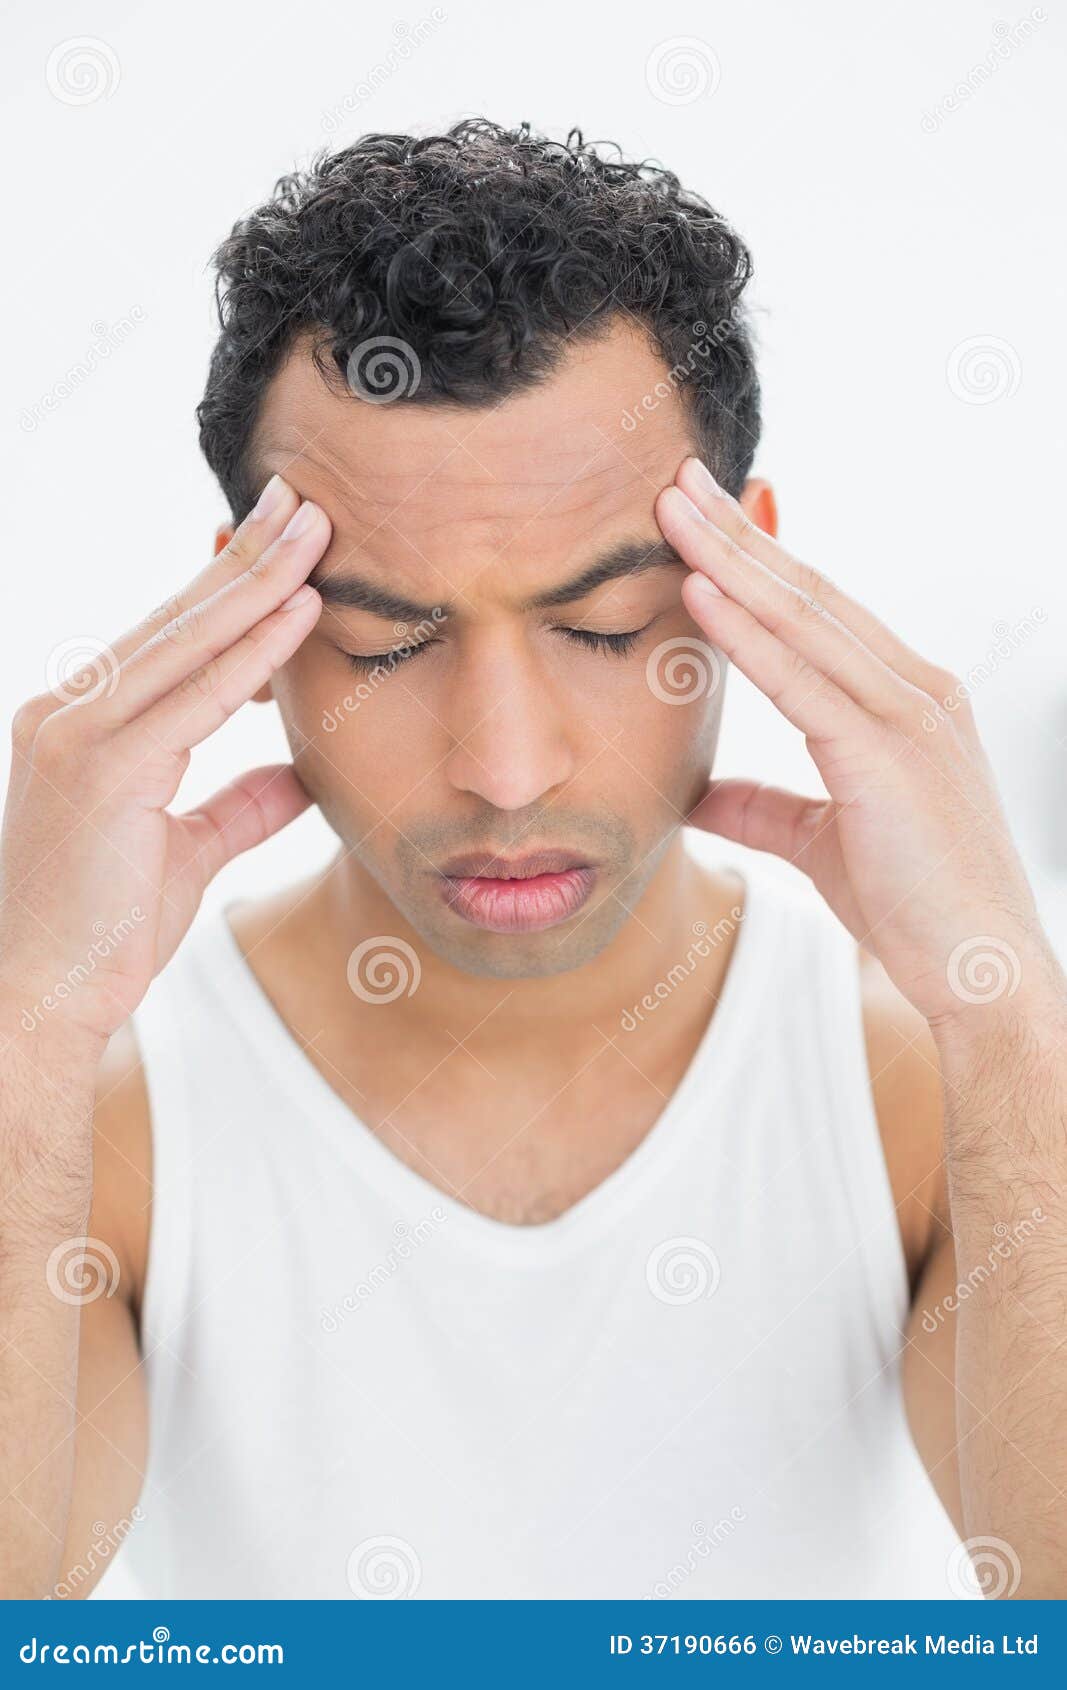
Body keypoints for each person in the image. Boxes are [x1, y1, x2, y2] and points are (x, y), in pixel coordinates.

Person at [2, 120, 1064, 1602]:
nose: (505, 767)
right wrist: (26, 1028)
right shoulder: (108, 1129)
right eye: (387, 636)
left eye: (607, 629)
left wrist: (1008, 1012)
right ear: (240, 614)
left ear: (750, 585)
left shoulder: (924, 1099)